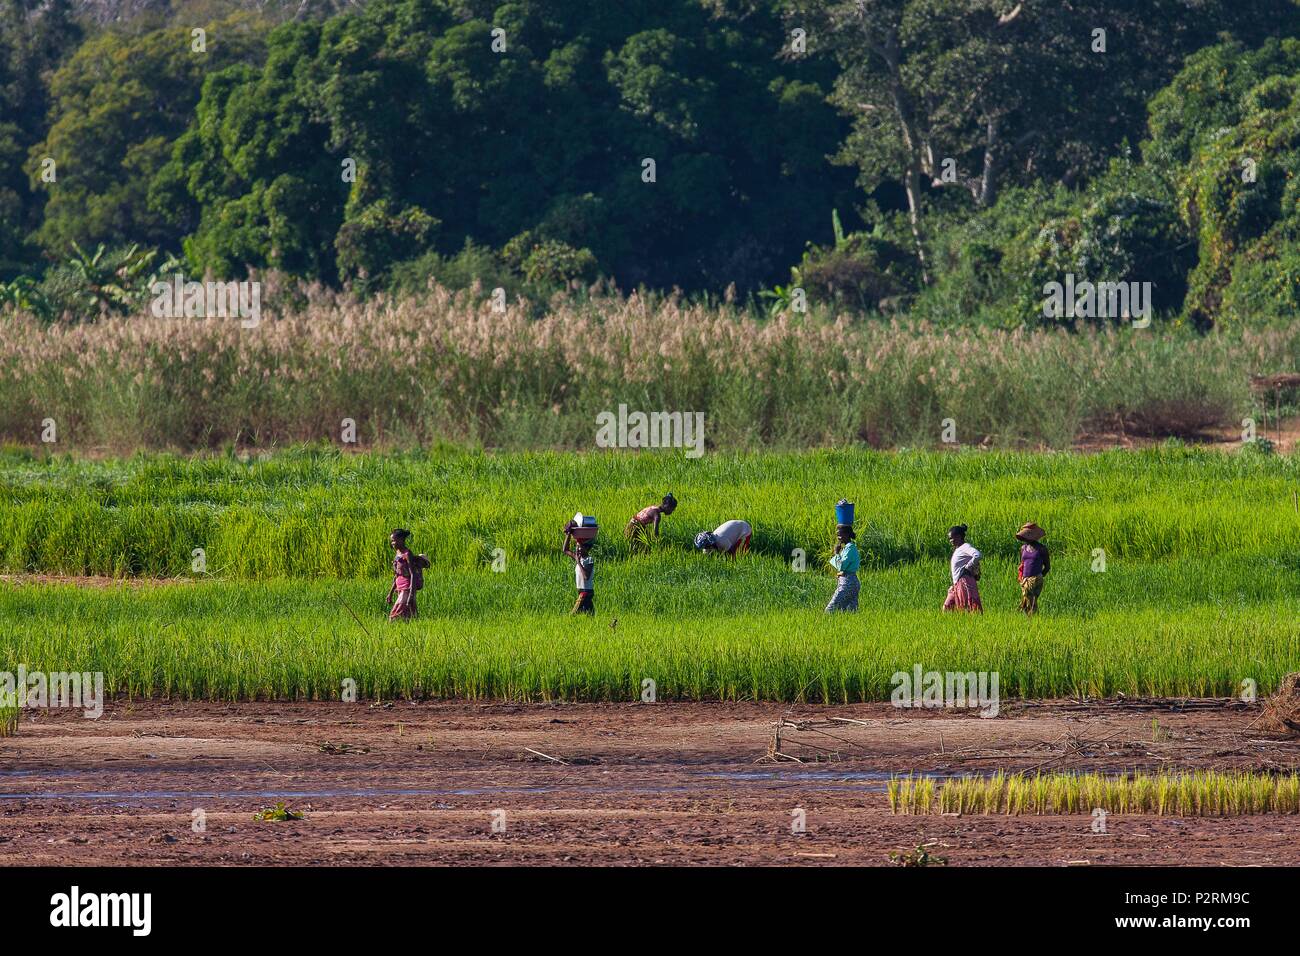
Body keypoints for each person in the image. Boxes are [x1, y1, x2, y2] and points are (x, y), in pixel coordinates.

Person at [943, 524, 983, 613]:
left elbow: (978, 555)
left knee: (967, 609)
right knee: (947, 607)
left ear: (959, 537)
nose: (950, 541)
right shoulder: (959, 549)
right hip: (957, 583)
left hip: (964, 582)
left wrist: (968, 566)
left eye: (952, 538)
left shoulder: (965, 547)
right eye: (949, 538)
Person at [1015, 522, 1050, 615]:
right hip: (1025, 580)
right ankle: (1032, 620)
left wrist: (1038, 576)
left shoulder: (1042, 549)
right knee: (1028, 601)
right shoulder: (1023, 548)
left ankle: (1032, 619)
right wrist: (1022, 577)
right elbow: (1022, 564)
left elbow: (1047, 567)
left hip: (1036, 579)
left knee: (1031, 599)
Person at [562, 523, 596, 615]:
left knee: (572, 615)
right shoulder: (579, 558)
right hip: (581, 592)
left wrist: (578, 562)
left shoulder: (589, 560)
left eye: (580, 548)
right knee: (590, 616)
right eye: (577, 548)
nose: (578, 550)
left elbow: (586, 577)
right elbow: (565, 550)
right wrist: (568, 534)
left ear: (586, 549)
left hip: (585, 593)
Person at [825, 524, 860, 612]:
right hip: (850, 581)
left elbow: (841, 566)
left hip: (848, 583)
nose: (839, 537)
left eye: (841, 535)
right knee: (848, 612)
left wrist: (836, 553)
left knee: (830, 610)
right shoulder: (846, 548)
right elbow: (842, 567)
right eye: (837, 535)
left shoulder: (850, 549)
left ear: (848, 534)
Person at [386, 528, 418, 620]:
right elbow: (397, 575)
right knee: (409, 615)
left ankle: (390, 630)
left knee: (395, 614)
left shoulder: (407, 554)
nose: (392, 543)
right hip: (400, 588)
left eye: (394, 541)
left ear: (401, 540)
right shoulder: (397, 553)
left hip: (407, 588)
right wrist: (391, 593)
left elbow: (413, 574)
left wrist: (411, 592)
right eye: (391, 541)